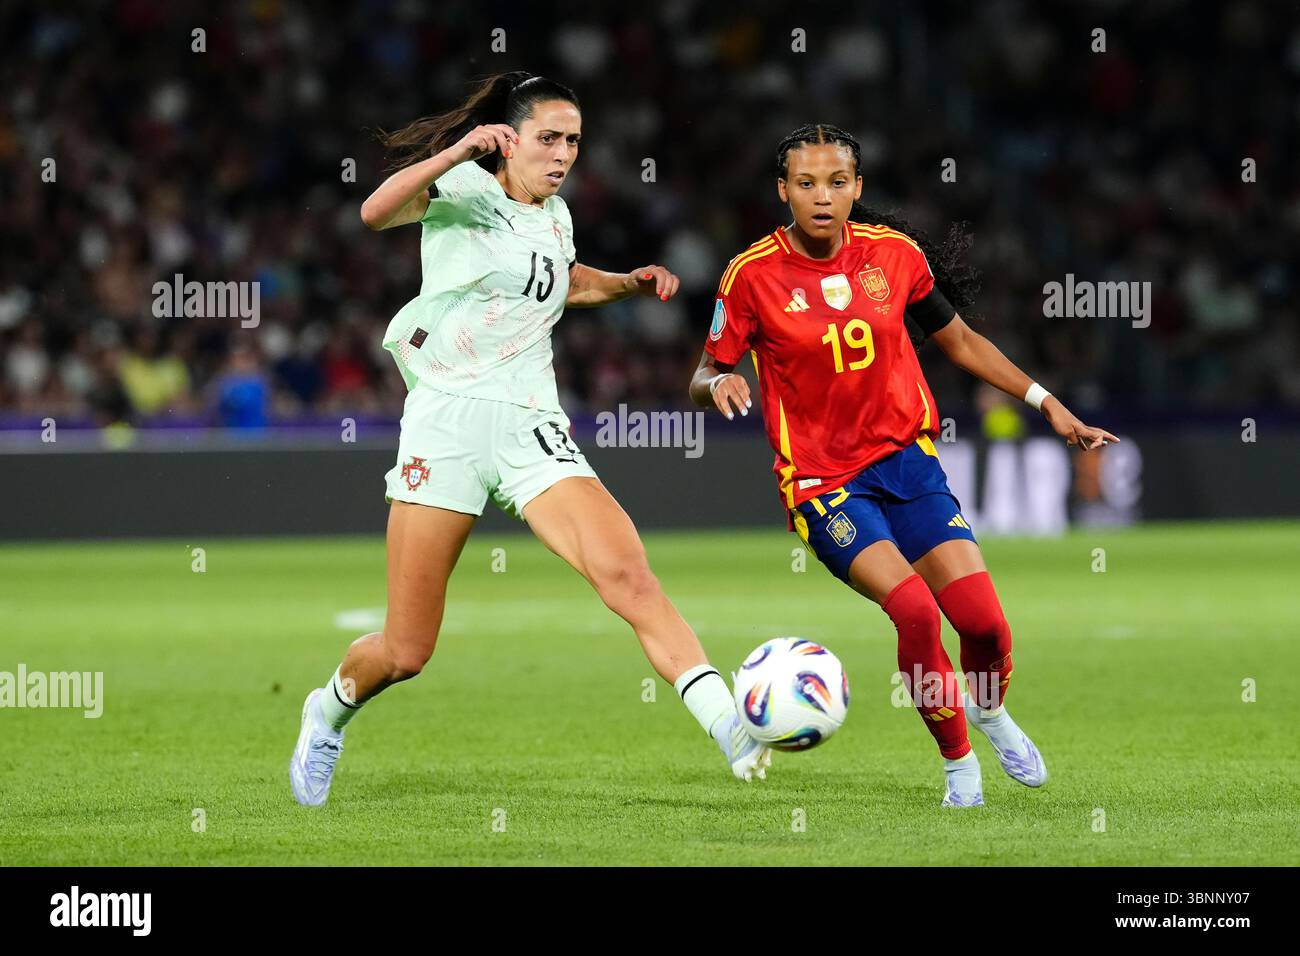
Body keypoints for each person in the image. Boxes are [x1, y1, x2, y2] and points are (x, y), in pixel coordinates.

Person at [290, 73, 769, 806]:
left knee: (628, 575)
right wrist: (456, 153)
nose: (564, 154)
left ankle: (727, 723)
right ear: (507, 140)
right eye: (549, 138)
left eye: (573, 141)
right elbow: (373, 210)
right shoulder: (465, 193)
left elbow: (562, 281)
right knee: (407, 650)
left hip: (529, 424)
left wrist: (627, 285)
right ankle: (327, 711)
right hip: (446, 421)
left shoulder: (556, 215)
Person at [689, 124, 1120, 807]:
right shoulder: (751, 276)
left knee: (984, 625)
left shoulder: (895, 257)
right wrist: (717, 385)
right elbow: (705, 371)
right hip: (823, 483)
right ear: (783, 191)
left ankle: (988, 713)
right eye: (806, 184)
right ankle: (959, 768)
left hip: (907, 464)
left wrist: (1048, 404)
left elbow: (962, 341)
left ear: (858, 187)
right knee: (916, 613)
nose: (822, 196)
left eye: (837, 182)